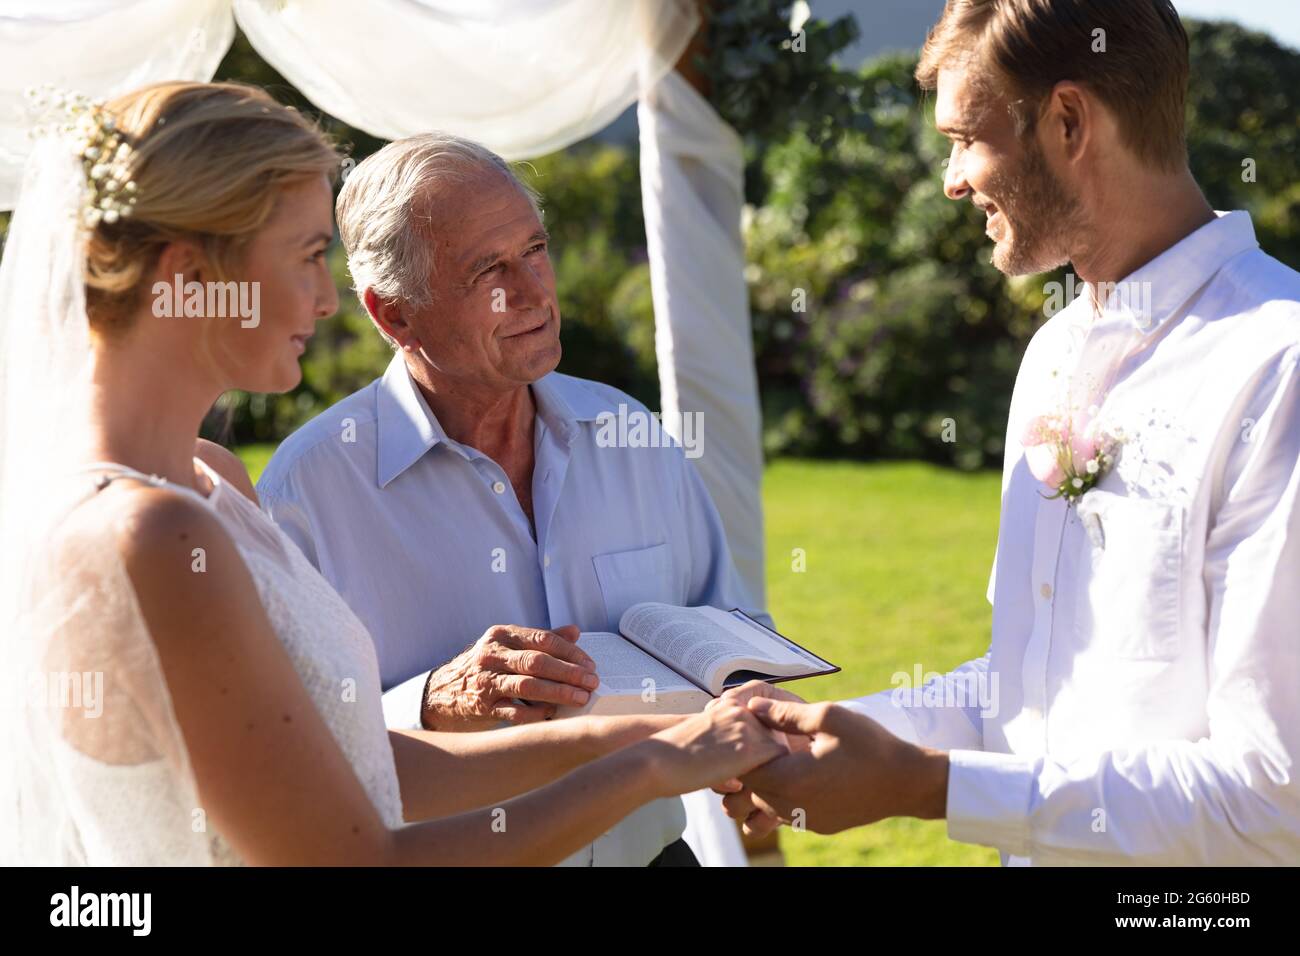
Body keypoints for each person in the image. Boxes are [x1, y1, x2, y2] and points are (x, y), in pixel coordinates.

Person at [0, 80, 784, 866]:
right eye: (308, 256)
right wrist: (652, 761)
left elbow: (363, 768)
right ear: (189, 275)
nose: (327, 300)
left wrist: (668, 739)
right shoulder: (156, 533)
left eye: (535, 250)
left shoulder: (214, 482)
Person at [720, 0, 1300, 865]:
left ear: (1069, 121)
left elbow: (1272, 796)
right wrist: (809, 737)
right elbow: (1026, 687)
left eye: (965, 138)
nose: (952, 179)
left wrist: (928, 785)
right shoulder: (1055, 351)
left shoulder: (1277, 364)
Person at [256, 132, 769, 866]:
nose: (534, 291)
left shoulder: (633, 435)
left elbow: (733, 630)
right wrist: (431, 700)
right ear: (395, 315)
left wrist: (755, 718)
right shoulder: (308, 493)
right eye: (489, 270)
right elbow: (283, 755)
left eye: (535, 249)